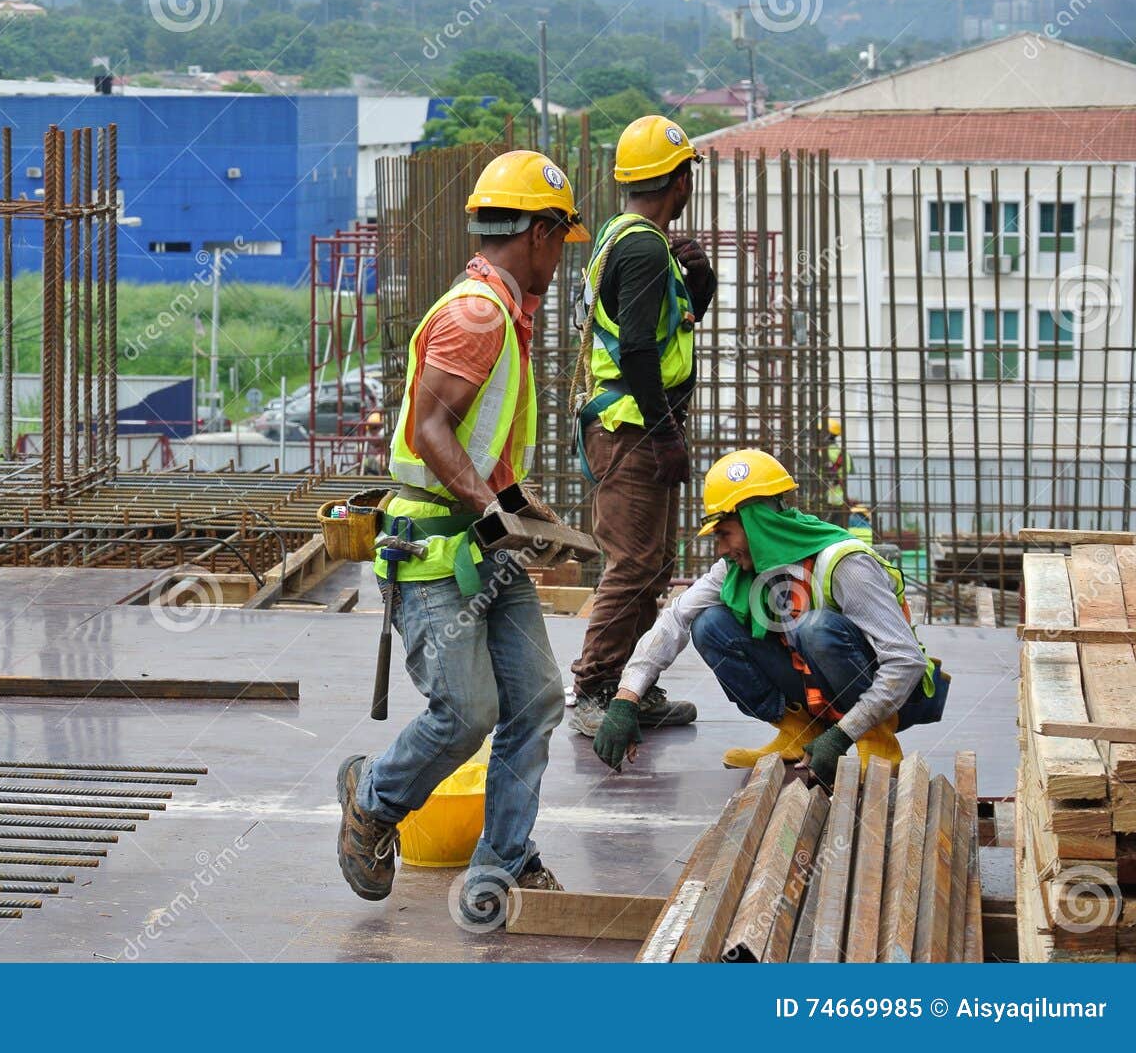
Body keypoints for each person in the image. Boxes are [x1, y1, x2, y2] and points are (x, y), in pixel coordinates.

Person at [336, 149, 583, 920]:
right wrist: (489, 508)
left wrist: (517, 501)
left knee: (537, 698)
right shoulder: (477, 315)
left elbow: (478, 441)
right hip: (437, 550)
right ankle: (373, 801)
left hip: (480, 546)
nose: (560, 262)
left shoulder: (504, 315)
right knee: (467, 711)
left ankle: (504, 860)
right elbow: (430, 427)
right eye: (559, 242)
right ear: (539, 233)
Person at [591, 449, 949, 785]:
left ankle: (877, 741)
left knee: (816, 629)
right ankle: (798, 732)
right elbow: (676, 619)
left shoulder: (844, 564)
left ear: (756, 523)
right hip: (817, 689)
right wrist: (627, 698)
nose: (722, 549)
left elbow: (905, 661)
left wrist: (844, 734)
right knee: (709, 624)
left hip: (893, 698)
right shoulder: (736, 569)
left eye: (725, 534)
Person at [569, 115, 717, 742]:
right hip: (632, 427)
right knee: (632, 565)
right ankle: (594, 689)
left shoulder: (625, 236)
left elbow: (669, 327)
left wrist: (699, 279)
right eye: (688, 175)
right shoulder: (643, 246)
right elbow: (635, 351)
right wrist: (664, 434)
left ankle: (633, 685)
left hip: (633, 423)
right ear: (678, 179)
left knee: (652, 565)